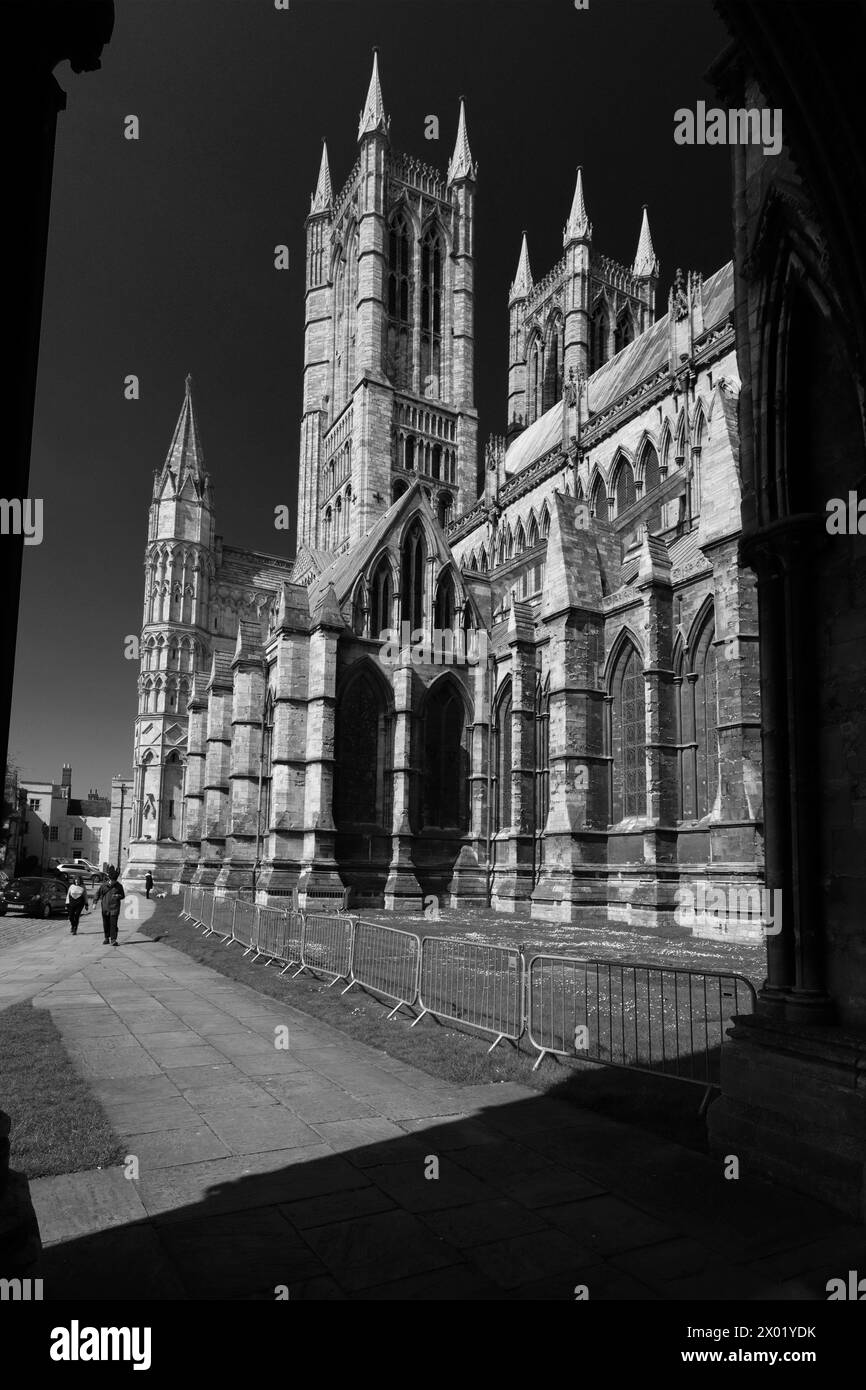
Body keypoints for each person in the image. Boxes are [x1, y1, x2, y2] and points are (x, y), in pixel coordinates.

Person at [94, 866, 125, 947]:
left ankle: (113, 939)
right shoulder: (104, 885)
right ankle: (106, 938)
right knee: (106, 924)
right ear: (110, 879)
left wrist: (118, 896)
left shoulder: (119, 886)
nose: (114, 881)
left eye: (115, 880)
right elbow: (97, 893)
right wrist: (94, 902)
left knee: (113, 924)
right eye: (113, 880)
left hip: (115, 908)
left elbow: (123, 895)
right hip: (105, 908)